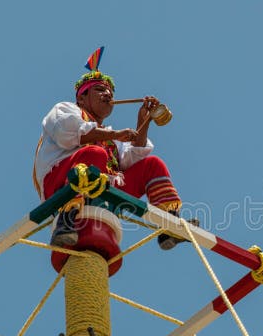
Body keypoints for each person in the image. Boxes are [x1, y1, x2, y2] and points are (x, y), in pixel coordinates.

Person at [33, 51, 192, 250]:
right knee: (95, 154)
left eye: (109, 92)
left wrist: (143, 121)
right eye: (99, 90)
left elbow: (131, 158)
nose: (107, 95)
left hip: (102, 191)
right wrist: (115, 135)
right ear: (81, 98)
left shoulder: (107, 137)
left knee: (153, 165)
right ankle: (67, 222)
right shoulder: (66, 109)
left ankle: (170, 227)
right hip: (61, 186)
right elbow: (69, 132)